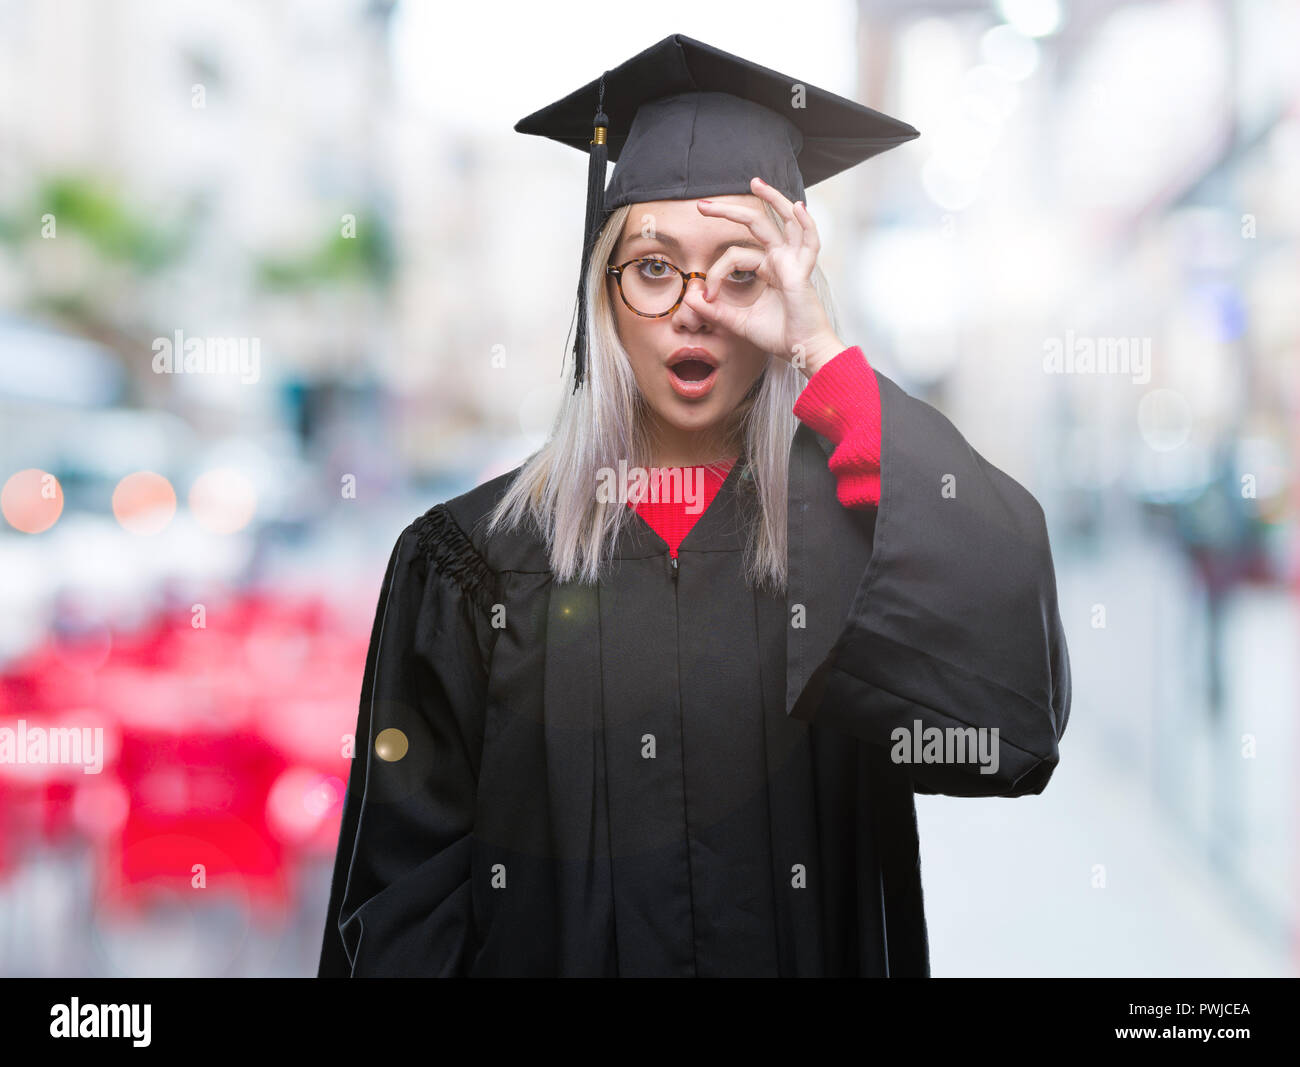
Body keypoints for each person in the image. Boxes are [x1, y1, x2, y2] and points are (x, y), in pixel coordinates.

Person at [317, 33, 1071, 977]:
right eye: (654, 266)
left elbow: (1012, 736)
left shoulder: (853, 546)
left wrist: (827, 361)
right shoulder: (472, 564)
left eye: (741, 271)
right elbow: (403, 907)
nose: (694, 307)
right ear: (604, 292)